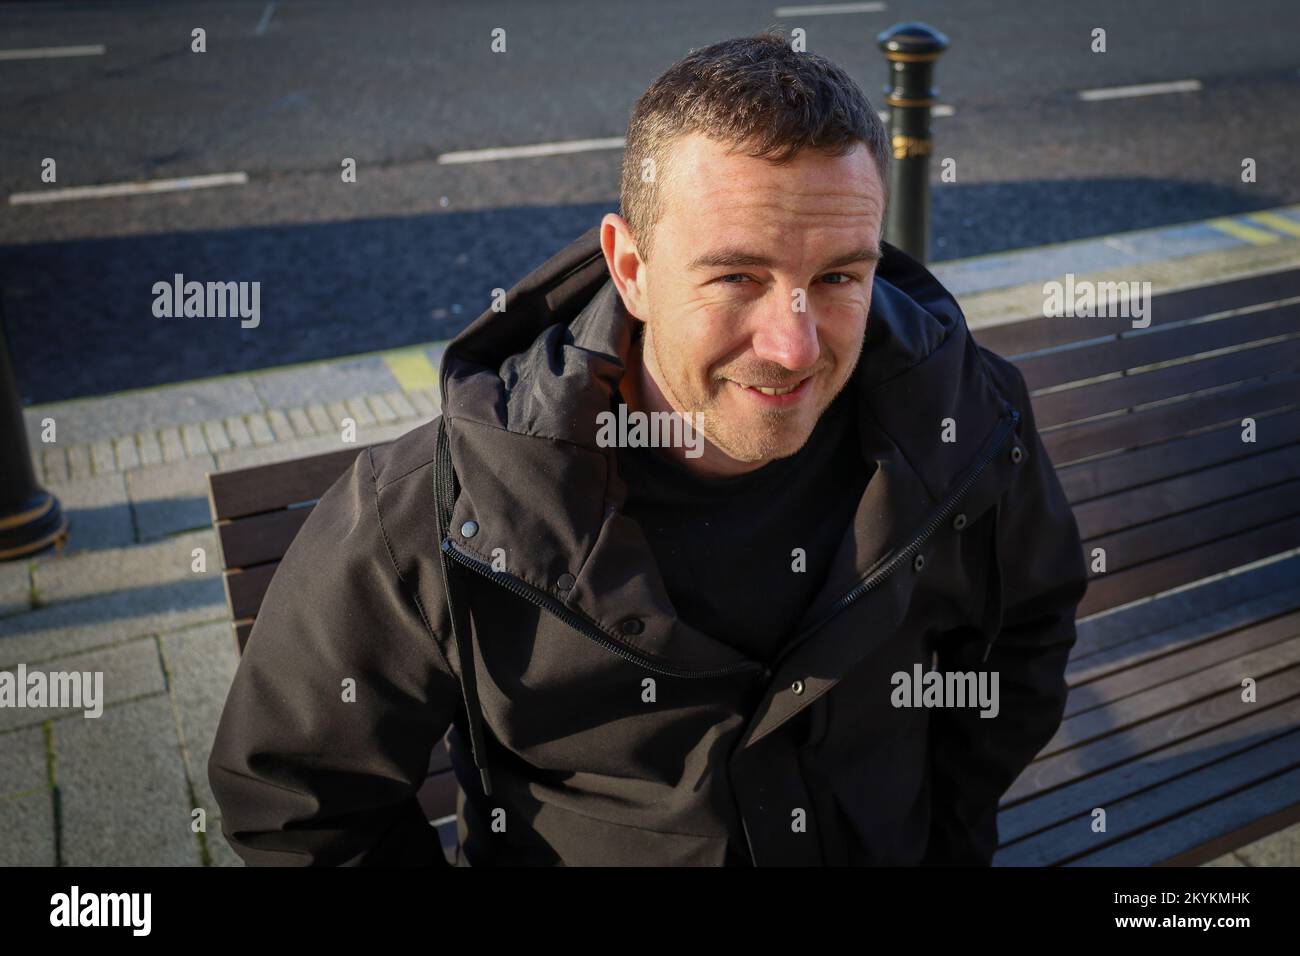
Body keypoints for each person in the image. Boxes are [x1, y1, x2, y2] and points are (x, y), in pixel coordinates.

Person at [208, 31, 1088, 866]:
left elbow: (1023, 639)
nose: (795, 346)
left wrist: (947, 844)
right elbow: (296, 793)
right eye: (738, 276)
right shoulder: (444, 503)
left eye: (838, 278)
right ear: (629, 267)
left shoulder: (966, 424)